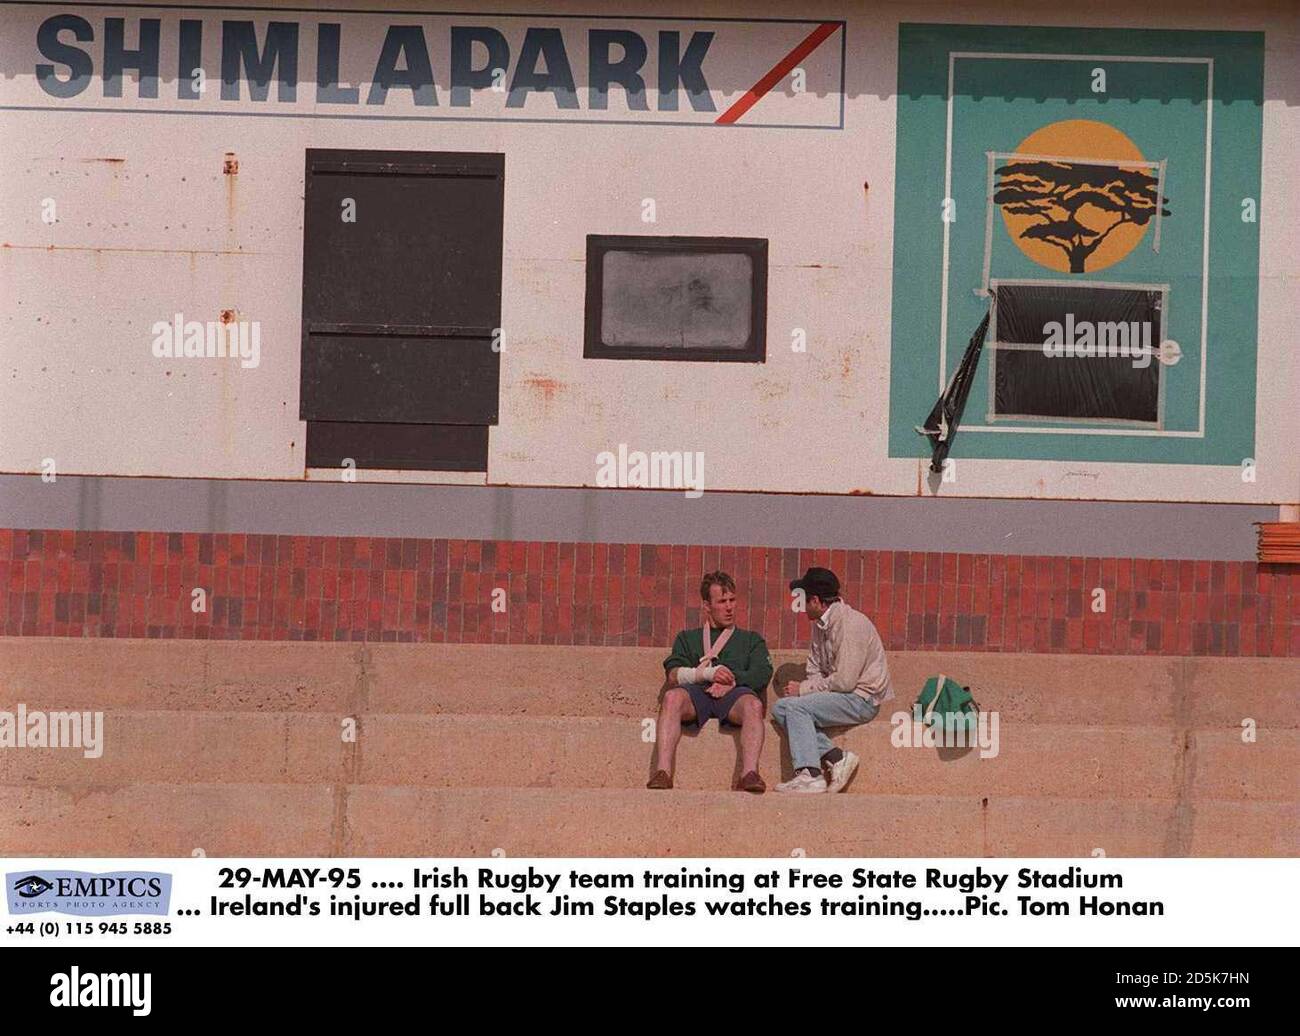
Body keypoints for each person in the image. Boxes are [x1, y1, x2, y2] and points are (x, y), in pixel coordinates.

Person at [647, 571, 774, 793]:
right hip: (697, 694)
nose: (729, 607)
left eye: (732, 600)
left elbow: (762, 673)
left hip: (735, 696)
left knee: (754, 705)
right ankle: (663, 772)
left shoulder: (751, 639)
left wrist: (731, 679)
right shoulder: (687, 638)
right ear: (707, 606)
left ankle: (750, 774)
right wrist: (707, 674)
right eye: (722, 601)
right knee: (671, 697)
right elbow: (673, 675)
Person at [771, 566, 893, 794]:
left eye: (804, 599)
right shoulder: (821, 625)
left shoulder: (851, 624)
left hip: (861, 700)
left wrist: (804, 689)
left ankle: (810, 775)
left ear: (816, 600)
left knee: (796, 708)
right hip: (839, 695)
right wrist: (810, 687)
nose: (802, 605)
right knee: (780, 708)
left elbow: (846, 682)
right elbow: (814, 667)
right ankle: (837, 757)